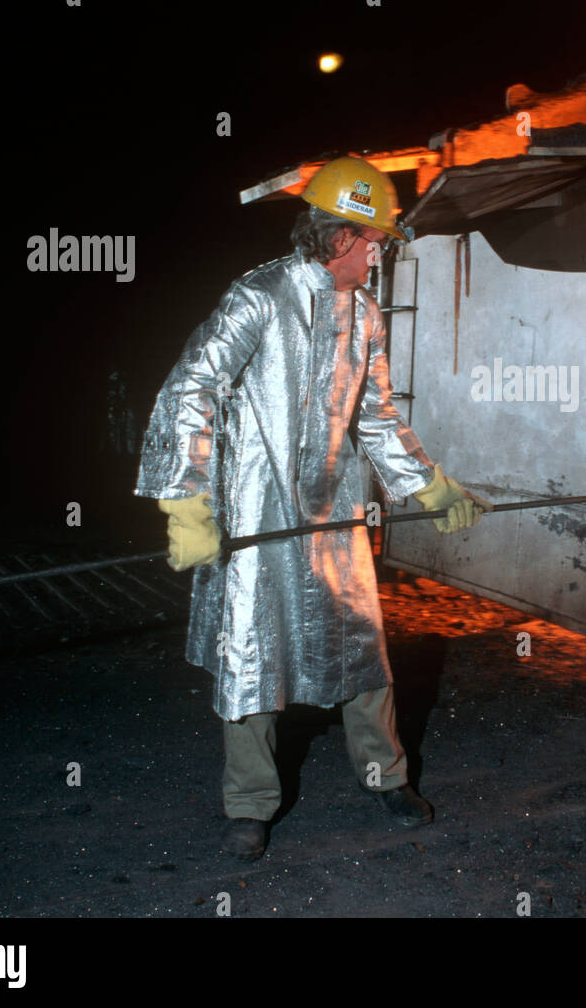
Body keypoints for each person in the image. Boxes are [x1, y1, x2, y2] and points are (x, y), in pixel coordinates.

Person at [134, 155, 491, 861]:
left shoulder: (365, 315)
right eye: (375, 239)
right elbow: (190, 389)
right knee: (251, 657)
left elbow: (378, 418)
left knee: (361, 648)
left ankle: (385, 777)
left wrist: (432, 486)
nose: (381, 252)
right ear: (339, 237)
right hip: (257, 522)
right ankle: (250, 805)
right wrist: (186, 502)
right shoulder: (258, 297)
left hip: (332, 517)